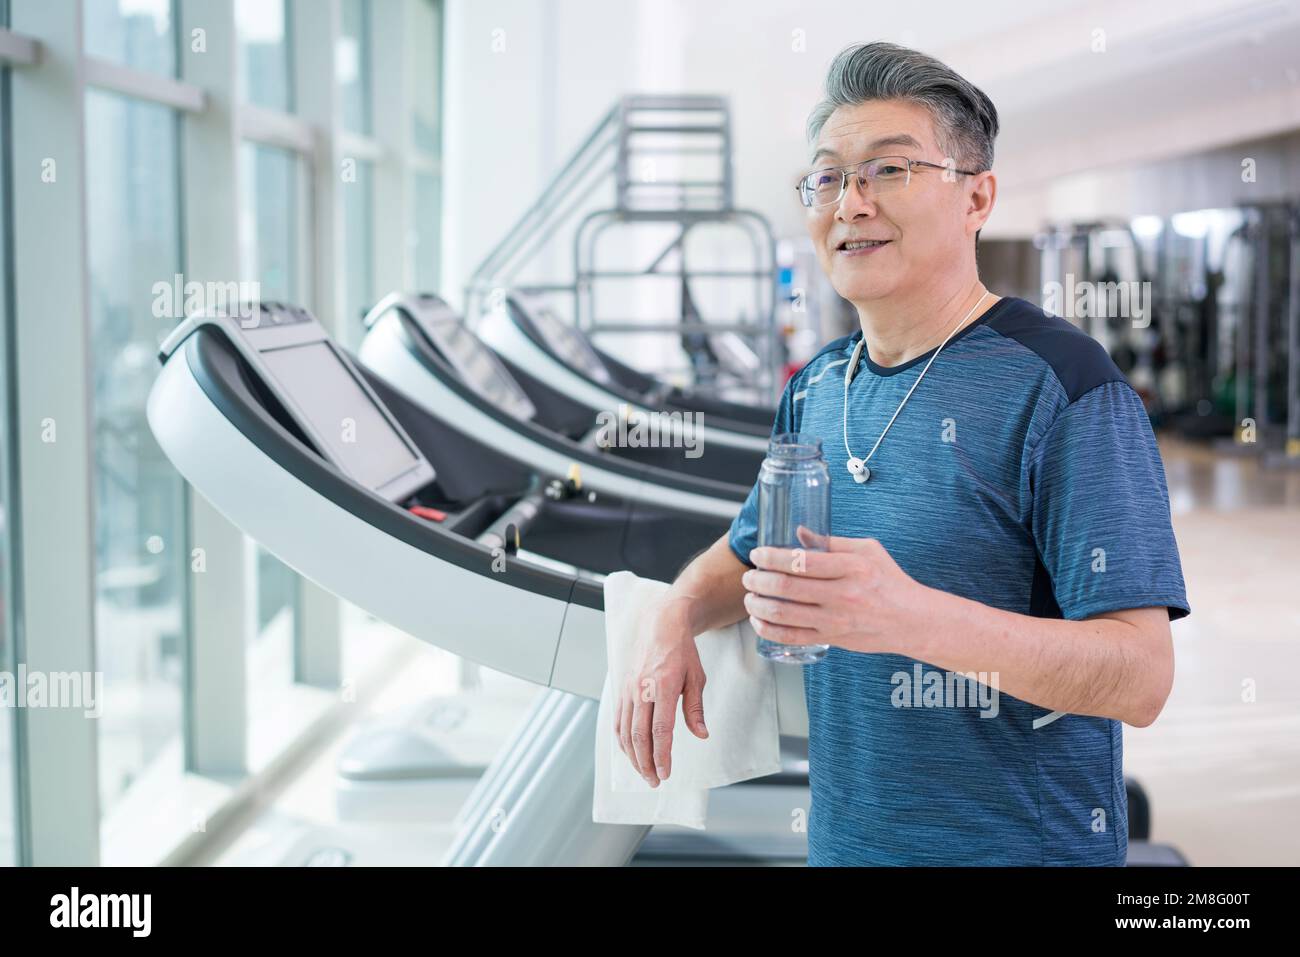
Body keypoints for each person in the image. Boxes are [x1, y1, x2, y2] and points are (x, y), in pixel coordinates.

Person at [613, 41, 1190, 866]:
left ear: (977, 197)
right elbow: (747, 557)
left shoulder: (1064, 389)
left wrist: (905, 615)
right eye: (827, 177)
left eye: (888, 171)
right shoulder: (816, 388)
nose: (850, 202)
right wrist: (673, 614)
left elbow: (1141, 674)